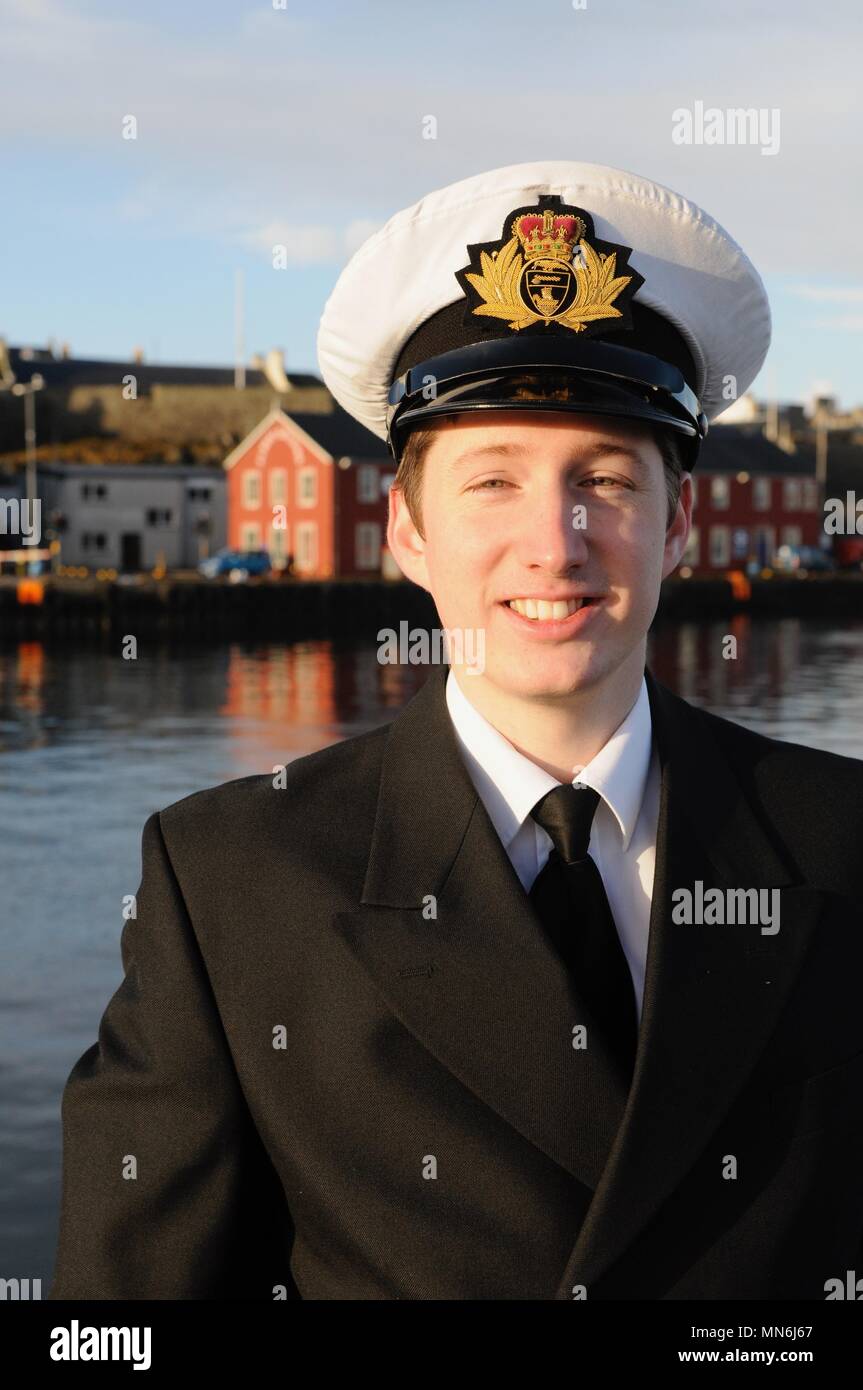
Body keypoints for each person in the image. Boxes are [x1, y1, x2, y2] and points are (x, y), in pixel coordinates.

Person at [50, 162, 863, 1301]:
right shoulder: (230, 885)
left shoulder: (839, 842)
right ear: (407, 529)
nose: (555, 541)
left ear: (677, 522)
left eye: (605, 480)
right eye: (492, 481)